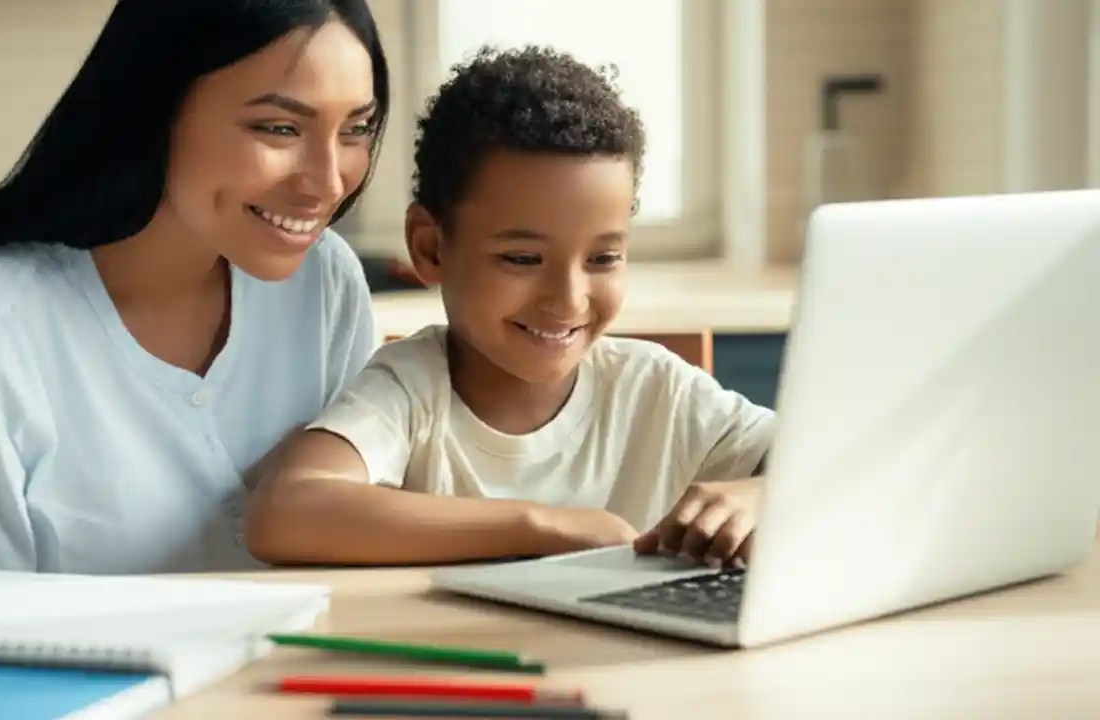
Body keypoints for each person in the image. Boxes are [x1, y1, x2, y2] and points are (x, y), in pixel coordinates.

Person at [0, 0, 390, 585]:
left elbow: (365, 573)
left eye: (356, 129)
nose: (328, 180)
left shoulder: (325, 282)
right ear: (154, 110)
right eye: (280, 128)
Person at [246, 46, 775, 569]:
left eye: (603, 257)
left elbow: (841, 465)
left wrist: (761, 495)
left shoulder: (660, 391)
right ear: (430, 248)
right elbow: (285, 512)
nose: (567, 299)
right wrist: (540, 526)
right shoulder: (412, 390)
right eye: (522, 258)